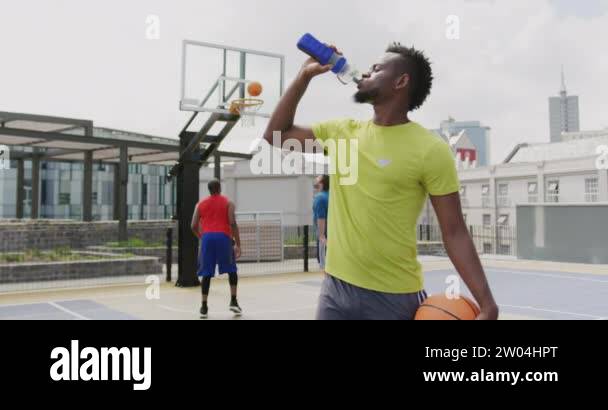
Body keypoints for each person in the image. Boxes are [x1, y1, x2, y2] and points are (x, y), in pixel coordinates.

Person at [263, 42, 498, 320]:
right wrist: (304, 77)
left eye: (376, 69)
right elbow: (275, 134)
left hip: (393, 298)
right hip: (336, 290)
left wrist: (487, 304)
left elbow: (454, 231)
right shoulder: (342, 132)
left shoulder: (431, 150)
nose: (364, 74)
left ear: (401, 81)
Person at [191, 179, 242, 319]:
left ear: (209, 189)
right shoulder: (228, 203)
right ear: (219, 188)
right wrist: (238, 244)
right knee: (232, 270)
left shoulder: (200, 204)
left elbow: (193, 225)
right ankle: (233, 301)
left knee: (206, 273)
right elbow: (232, 223)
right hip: (224, 238)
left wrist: (202, 237)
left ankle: (204, 307)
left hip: (207, 238)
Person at [313, 175, 330, 270]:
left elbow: (321, 218)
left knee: (324, 265)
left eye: (318, 178)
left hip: (324, 235)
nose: (316, 178)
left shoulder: (320, 198)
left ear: (322, 184)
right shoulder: (330, 195)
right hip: (332, 233)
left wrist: (321, 236)